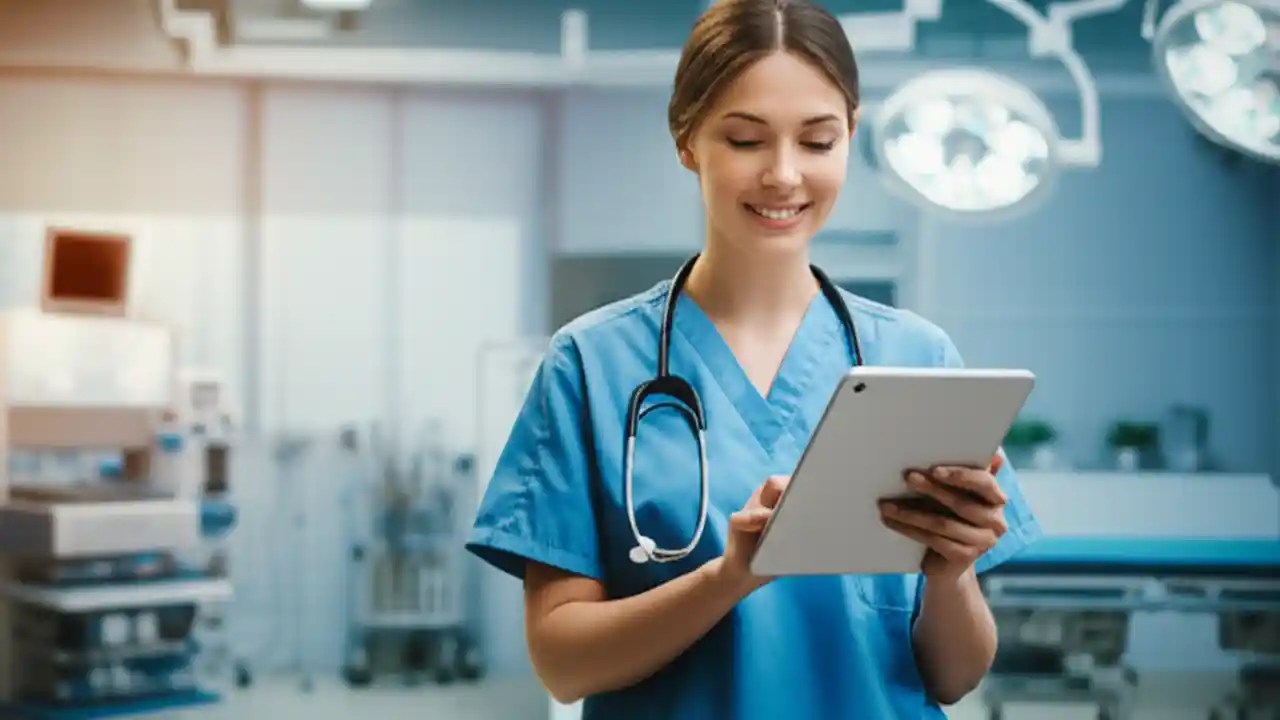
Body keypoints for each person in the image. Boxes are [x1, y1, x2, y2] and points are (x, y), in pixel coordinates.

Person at [466, 0, 1043, 717]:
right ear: (687, 139)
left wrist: (952, 570)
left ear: (851, 137)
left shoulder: (917, 357)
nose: (783, 175)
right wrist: (730, 577)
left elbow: (955, 678)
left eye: (817, 141)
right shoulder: (592, 364)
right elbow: (562, 662)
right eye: (745, 140)